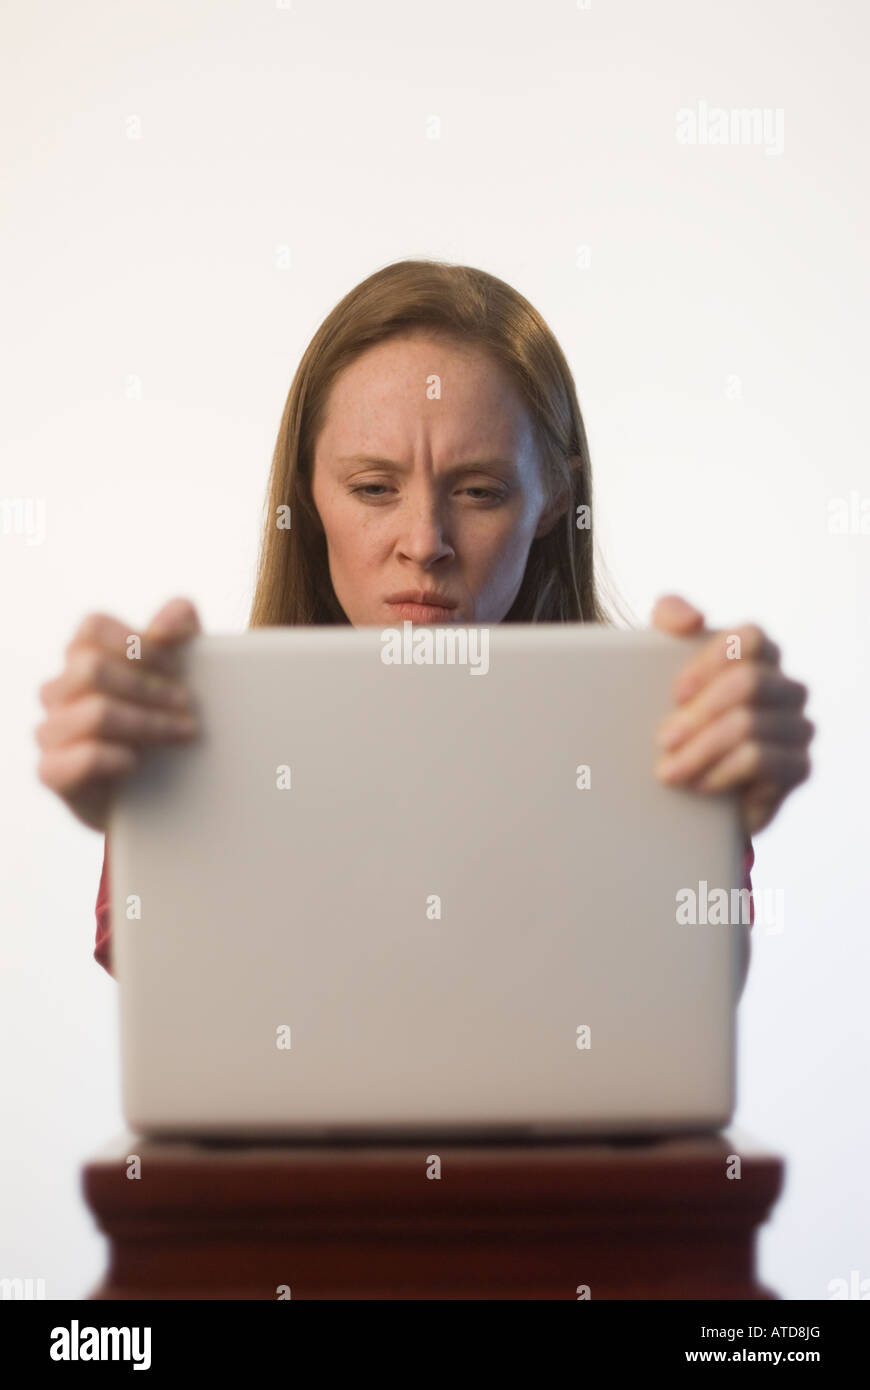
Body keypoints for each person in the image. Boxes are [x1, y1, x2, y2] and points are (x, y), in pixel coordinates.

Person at [34, 260, 814, 978]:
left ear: (551, 502)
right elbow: (182, 1017)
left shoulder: (660, 734)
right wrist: (152, 828)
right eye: (374, 488)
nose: (424, 545)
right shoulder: (198, 738)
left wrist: (703, 830)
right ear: (308, 494)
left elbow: (685, 1003)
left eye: (479, 492)